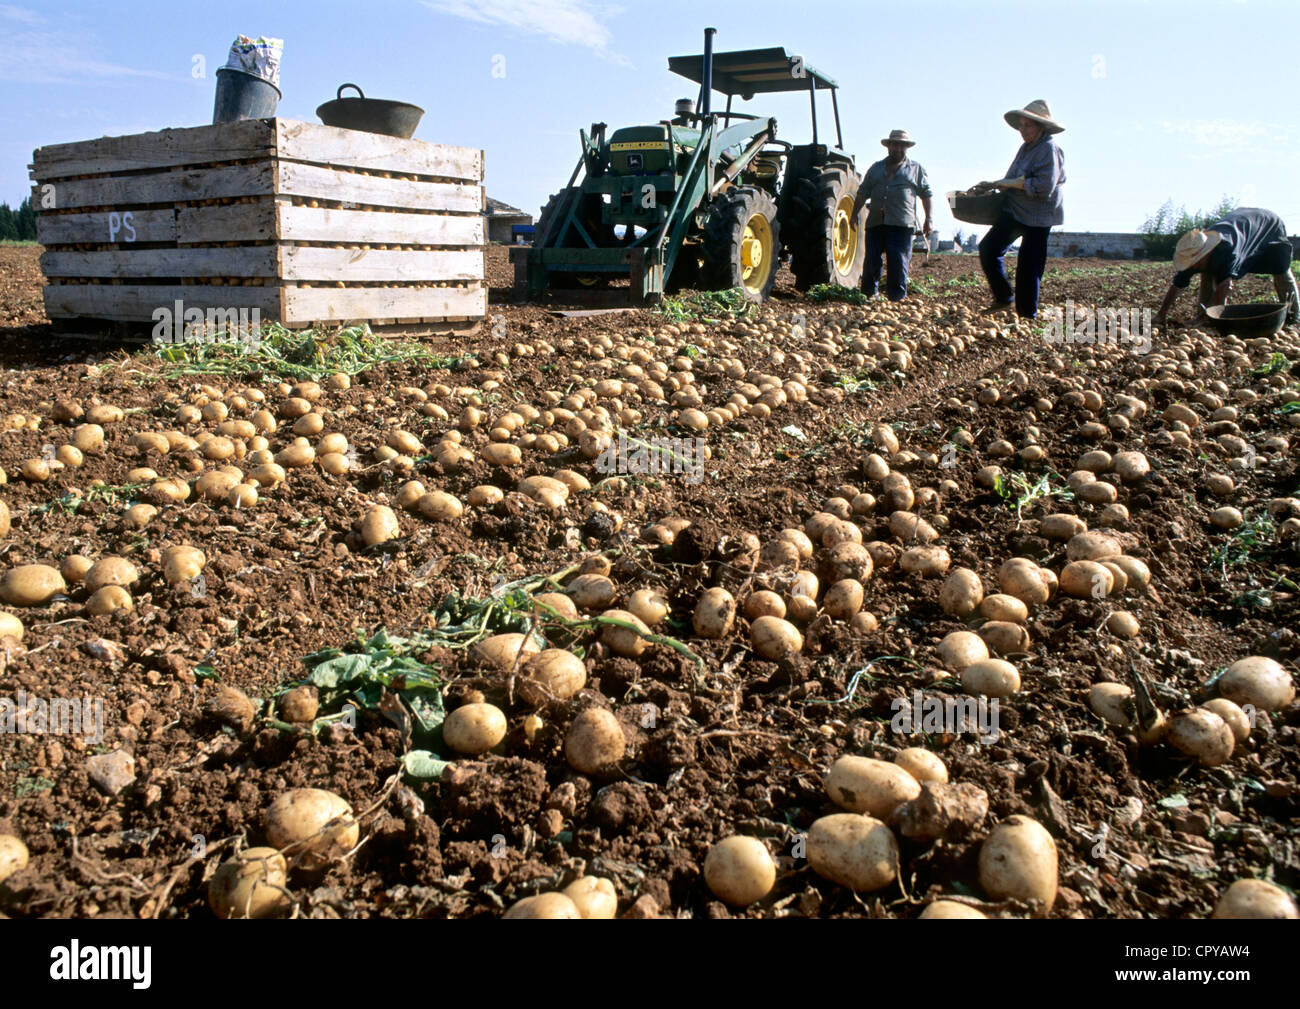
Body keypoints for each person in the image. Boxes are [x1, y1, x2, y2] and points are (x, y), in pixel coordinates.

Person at [972, 100, 1066, 319]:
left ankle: (1026, 315)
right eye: (1021, 126)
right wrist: (996, 184)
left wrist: (1010, 183)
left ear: (1041, 127)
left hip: (1039, 216)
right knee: (989, 248)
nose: (1022, 131)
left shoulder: (1049, 149)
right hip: (1017, 209)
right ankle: (1004, 297)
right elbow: (1014, 176)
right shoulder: (1026, 148)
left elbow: (1044, 187)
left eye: (1028, 126)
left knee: (1029, 265)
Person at [1154, 208, 1299, 326]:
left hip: (1268, 226)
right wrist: (1161, 314)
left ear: (1205, 253)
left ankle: (1294, 318)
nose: (1194, 265)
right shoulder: (1192, 252)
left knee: (1281, 269)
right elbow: (1177, 285)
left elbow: (1225, 286)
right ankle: (1207, 319)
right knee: (1208, 272)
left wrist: (1204, 316)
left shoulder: (1227, 250)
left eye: (1198, 261)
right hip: (1242, 225)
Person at [851, 129, 933, 300]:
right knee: (871, 261)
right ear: (888, 146)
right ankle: (868, 295)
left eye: (901, 145)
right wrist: (853, 215)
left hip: (901, 224)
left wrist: (929, 219)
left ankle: (896, 298)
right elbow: (862, 192)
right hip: (875, 222)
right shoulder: (876, 168)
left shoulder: (915, 169)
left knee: (898, 262)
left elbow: (926, 194)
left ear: (906, 148)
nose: (897, 148)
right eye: (894, 144)